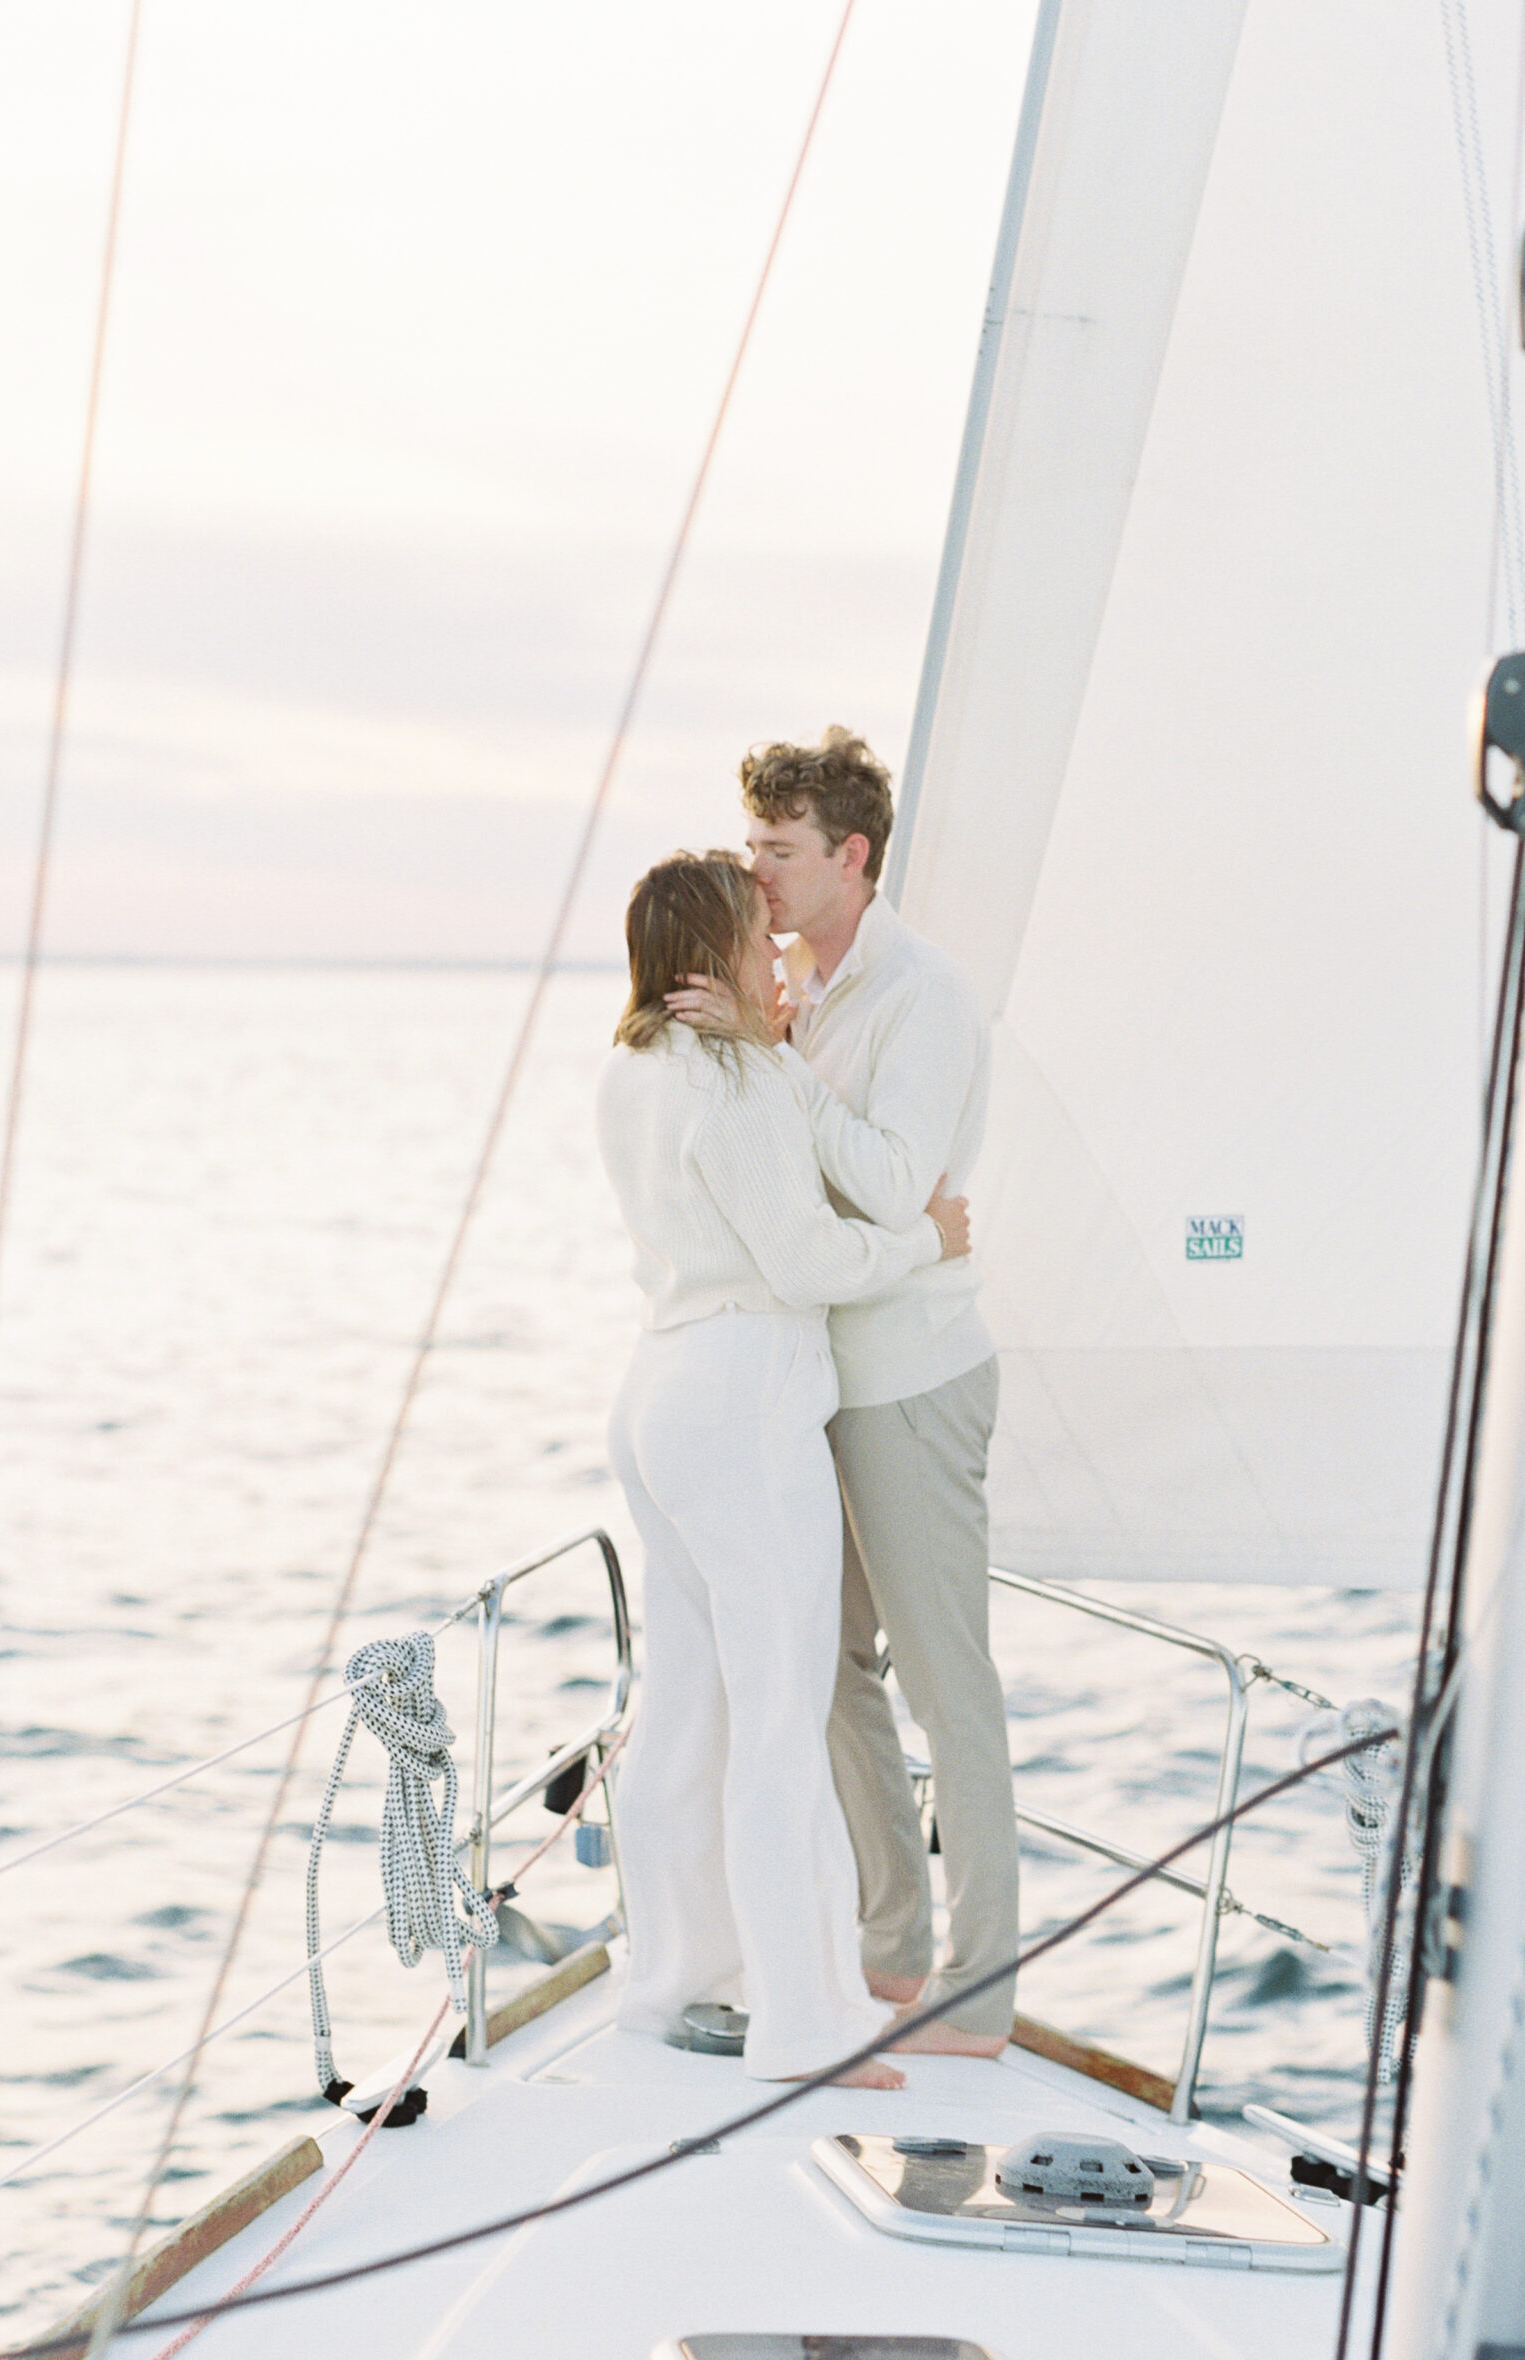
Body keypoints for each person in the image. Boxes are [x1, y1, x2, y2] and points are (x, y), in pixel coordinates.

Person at [596, 847, 971, 2086]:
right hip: (743, 1402)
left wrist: (764, 1046)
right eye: (759, 941)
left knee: (684, 1706)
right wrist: (925, 1242)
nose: (780, 958)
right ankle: (803, 2025)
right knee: (777, 1719)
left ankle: (668, 1985)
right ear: (715, 952)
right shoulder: (741, 1079)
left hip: (656, 1391)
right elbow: (808, 1262)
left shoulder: (632, 1066)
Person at [669, 729, 1017, 2056]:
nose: (754, 871)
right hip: (820, 1380)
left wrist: (770, 1065)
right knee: (823, 1669)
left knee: (945, 1687)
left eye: (778, 850)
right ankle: (892, 1955)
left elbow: (887, 1183)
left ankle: (979, 1997)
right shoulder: (796, 986)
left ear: (849, 855)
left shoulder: (919, 995)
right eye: (750, 845)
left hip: (910, 1380)